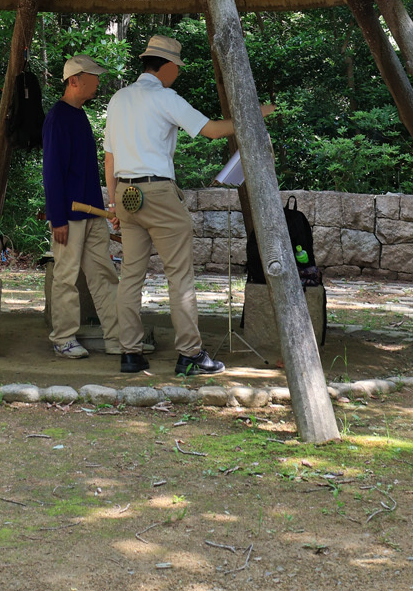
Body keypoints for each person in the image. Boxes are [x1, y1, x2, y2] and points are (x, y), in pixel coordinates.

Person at [104, 33, 275, 376]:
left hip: (125, 194)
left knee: (130, 277)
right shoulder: (166, 98)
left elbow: (109, 156)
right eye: (176, 68)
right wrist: (255, 115)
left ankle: (130, 353)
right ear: (166, 67)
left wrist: (113, 202)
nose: (177, 74)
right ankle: (190, 354)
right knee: (179, 275)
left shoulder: (118, 99)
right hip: (158, 194)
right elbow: (211, 130)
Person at [42, 53, 120, 360]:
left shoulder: (78, 115)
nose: (98, 82)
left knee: (103, 274)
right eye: (93, 76)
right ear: (75, 80)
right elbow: (52, 171)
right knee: (66, 275)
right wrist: (57, 218)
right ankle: (63, 338)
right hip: (69, 217)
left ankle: (119, 337)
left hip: (91, 214)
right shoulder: (57, 118)